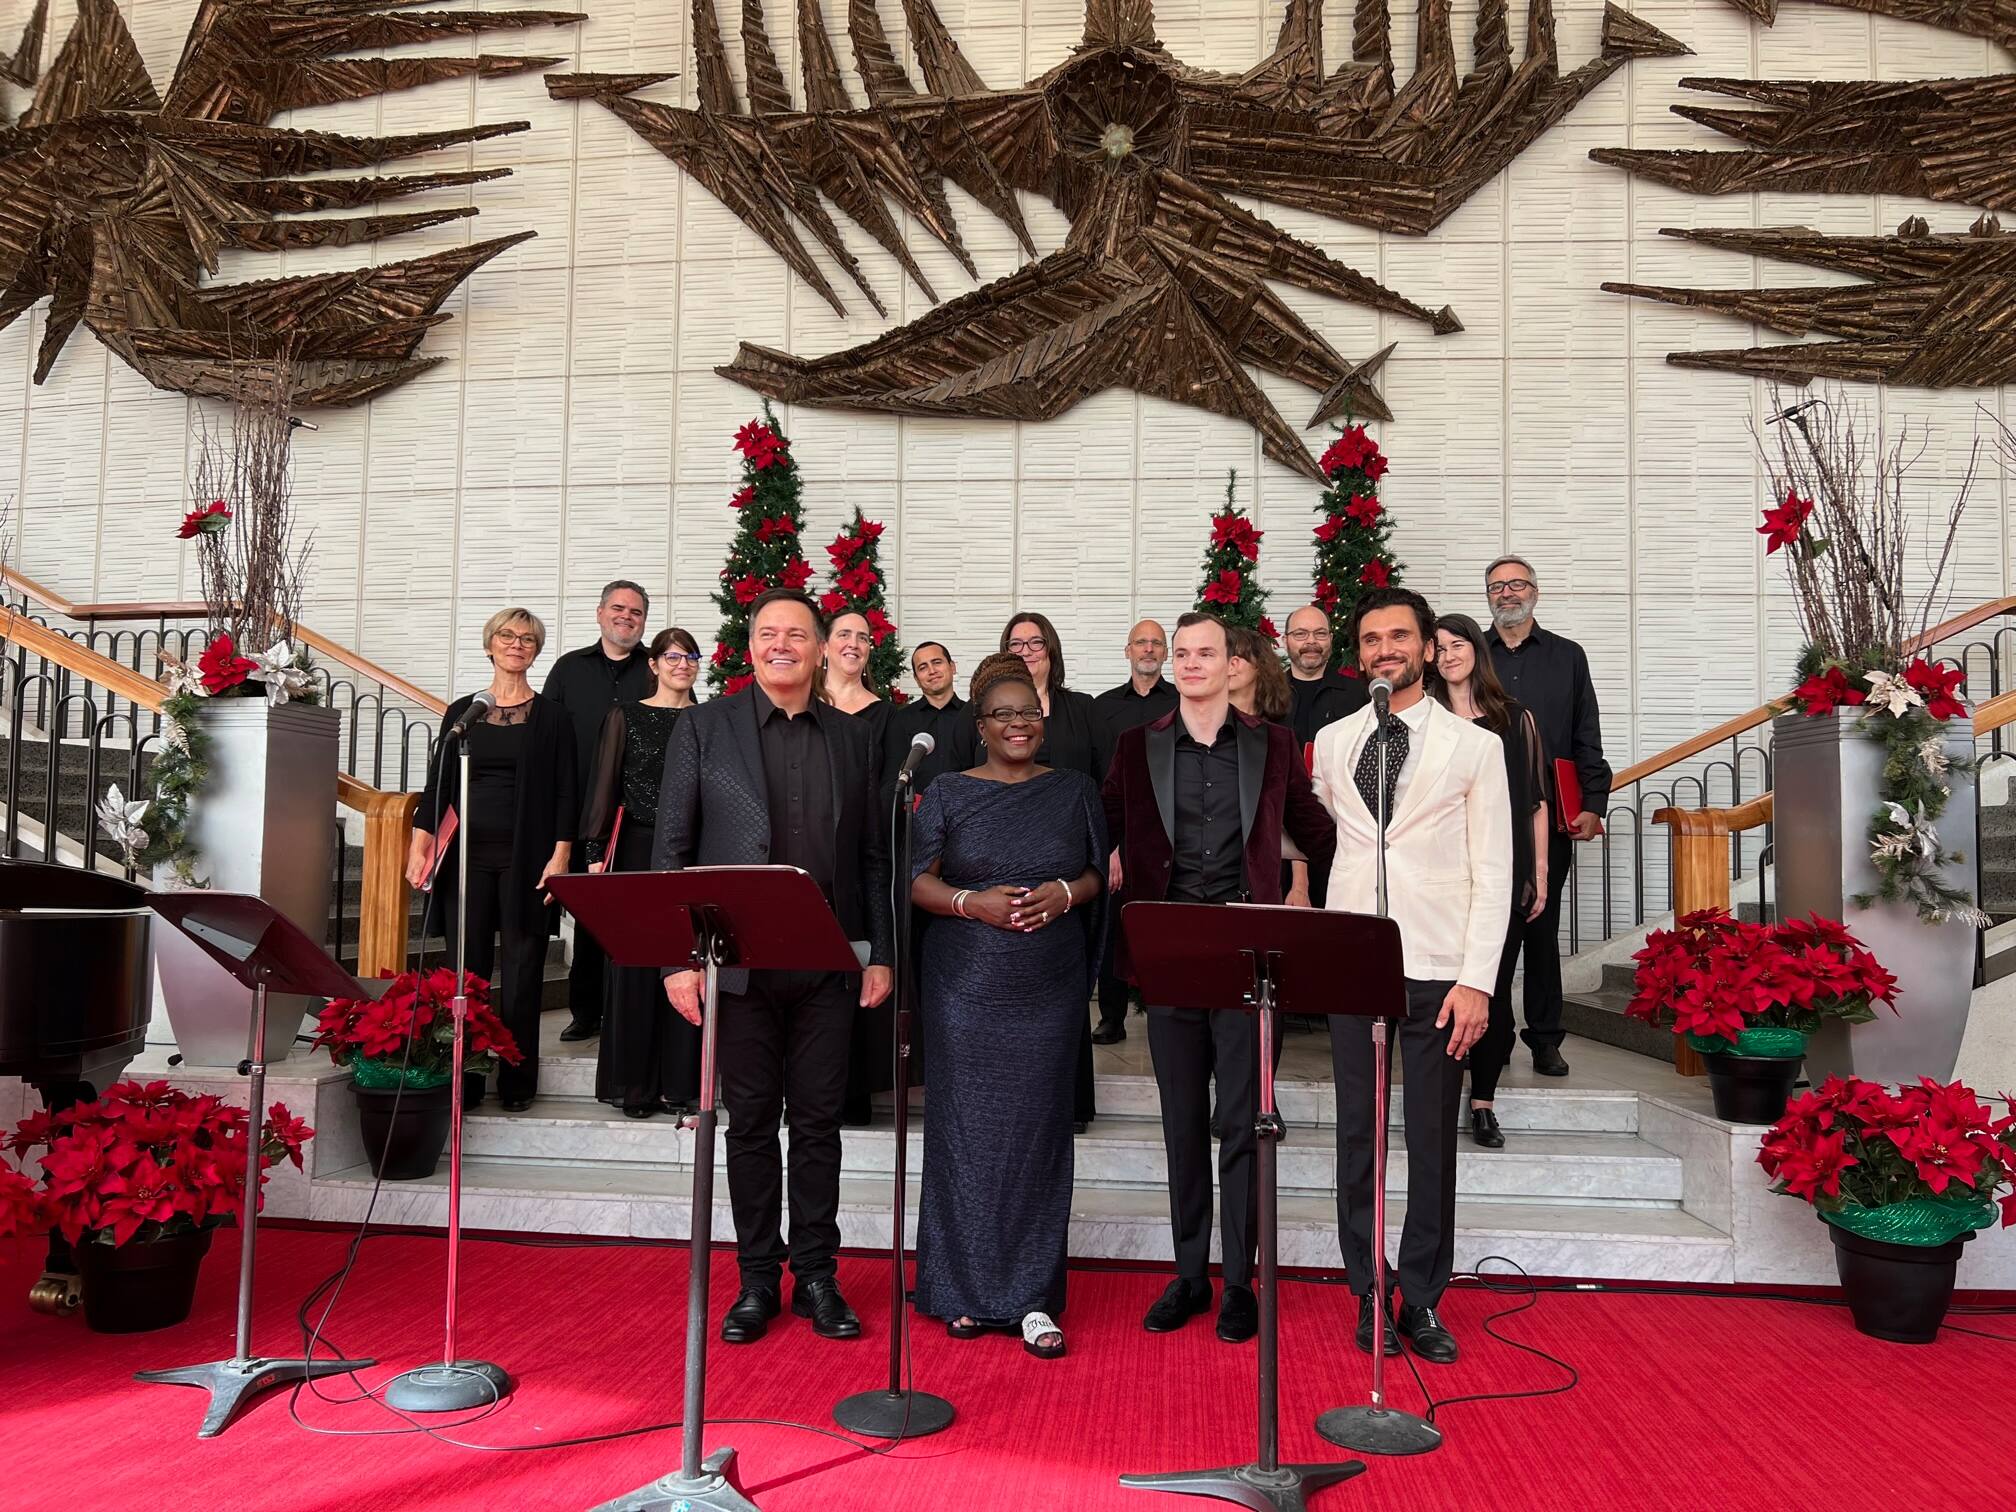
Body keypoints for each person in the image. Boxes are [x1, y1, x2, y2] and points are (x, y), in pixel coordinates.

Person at [654, 589, 893, 1345]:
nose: (782, 644)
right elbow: (672, 850)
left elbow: (873, 856)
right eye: (768, 633)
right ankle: (758, 1279)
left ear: (822, 649)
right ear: (748, 646)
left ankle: (818, 1275)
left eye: (798, 633)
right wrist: (675, 961)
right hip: (736, 965)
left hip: (828, 963)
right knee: (751, 1123)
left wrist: (880, 952)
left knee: (819, 1125)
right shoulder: (703, 727)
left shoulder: (852, 740)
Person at [1103, 611, 1336, 1345]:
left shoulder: (1274, 745)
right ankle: (1188, 1276)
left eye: (1207, 652)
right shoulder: (1137, 746)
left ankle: (1240, 1280)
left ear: (1235, 662)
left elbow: (1321, 831)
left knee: (1242, 1125)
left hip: (1247, 957)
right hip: (1169, 951)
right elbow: (1101, 821)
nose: (1193, 663)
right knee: (1179, 1124)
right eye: (1183, 653)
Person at [1311, 587, 1510, 1365]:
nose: (1384, 649)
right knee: (1358, 1138)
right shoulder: (1331, 741)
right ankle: (1367, 1289)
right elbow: (1331, 841)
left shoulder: (1475, 747)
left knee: (1430, 1142)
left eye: (1399, 636)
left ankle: (1422, 1297)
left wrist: (1478, 980)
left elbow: (1496, 871)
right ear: (1357, 654)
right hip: (1354, 964)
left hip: (1439, 969)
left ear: (1429, 647)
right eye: (1370, 639)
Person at [909, 653, 1107, 1359]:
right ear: (981, 726)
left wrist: (1066, 892)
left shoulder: (1075, 789)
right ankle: (960, 1291)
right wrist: (972, 903)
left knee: (1036, 1140)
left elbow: (1093, 872)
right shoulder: (948, 791)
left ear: (1043, 721)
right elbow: (915, 881)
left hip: (1047, 987)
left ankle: (1031, 1298)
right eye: (1004, 713)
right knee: (966, 1138)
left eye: (1029, 711)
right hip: (965, 987)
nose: (1019, 722)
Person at [407, 608, 578, 1112]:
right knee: (468, 969)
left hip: (527, 856)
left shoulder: (553, 717)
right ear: (489, 645)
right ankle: (468, 1080)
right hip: (466, 857)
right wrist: (421, 840)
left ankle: (518, 1083)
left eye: (528, 638)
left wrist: (562, 854)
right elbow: (438, 782)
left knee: (524, 969)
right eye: (507, 635)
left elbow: (568, 790)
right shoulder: (465, 711)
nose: (517, 643)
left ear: (536, 650)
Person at [950, 611, 1112, 1128]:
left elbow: (1105, 783)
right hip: (981, 931)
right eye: (1015, 643)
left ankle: (1068, 1106)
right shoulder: (974, 729)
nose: (1026, 650)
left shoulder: (1081, 710)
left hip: (1067, 871)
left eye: (1035, 642)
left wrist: (1098, 859)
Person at [1483, 556, 1611, 1078]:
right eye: (1497, 586)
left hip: (1548, 818)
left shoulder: (1568, 657)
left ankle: (1544, 1038)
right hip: (1483, 814)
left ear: (1535, 590)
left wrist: (1592, 804)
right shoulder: (1471, 655)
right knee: (1488, 930)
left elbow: (1586, 735)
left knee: (1541, 930)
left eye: (1516, 584)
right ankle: (1488, 1037)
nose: (1507, 593)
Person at [1431, 614, 1548, 1148]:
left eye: (1458, 644)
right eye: (1438, 647)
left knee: (1492, 988)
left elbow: (1535, 802)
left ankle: (1483, 1102)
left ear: (1478, 650)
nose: (1449, 654)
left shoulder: (1512, 717)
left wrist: (1540, 872)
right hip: (1438, 874)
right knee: (1438, 986)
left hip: (1504, 868)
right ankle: (1435, 1095)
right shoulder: (1423, 718)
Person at [577, 627, 702, 1119]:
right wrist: (594, 853)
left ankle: (684, 1082)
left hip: (695, 853)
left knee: (688, 960)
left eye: (690, 656)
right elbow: (603, 787)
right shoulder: (625, 716)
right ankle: (637, 1086)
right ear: (653, 664)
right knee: (636, 963)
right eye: (672, 656)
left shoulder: (711, 719)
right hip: (635, 849)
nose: (681, 664)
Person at [541, 581, 653, 1043]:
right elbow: (547, 737)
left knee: (638, 918)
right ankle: (586, 1010)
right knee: (589, 914)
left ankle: (631, 1012)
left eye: (637, 612)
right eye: (618, 608)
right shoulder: (569, 669)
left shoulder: (655, 668)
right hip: (582, 810)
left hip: (639, 815)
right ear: (600, 612)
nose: (626, 617)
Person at [824, 609, 896, 1127]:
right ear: (824, 645)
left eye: (863, 637)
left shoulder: (885, 716)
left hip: (856, 860)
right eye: (844, 634)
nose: (855, 643)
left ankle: (848, 1094)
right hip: (800, 859)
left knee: (851, 973)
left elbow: (886, 796)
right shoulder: (800, 705)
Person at [1090, 619, 1174, 1045]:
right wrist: (1111, 845)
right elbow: (1101, 779)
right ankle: (1112, 1016)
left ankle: (1169, 1011)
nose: (1148, 649)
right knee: (1113, 928)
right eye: (1141, 642)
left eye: (1156, 643)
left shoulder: (1183, 702)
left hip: (1172, 835)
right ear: (1127, 651)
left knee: (1168, 929)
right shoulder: (1102, 708)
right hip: (1120, 832)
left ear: (1166, 653)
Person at [1229, 625, 1311, 907]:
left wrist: (1300, 887)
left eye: (1238, 657)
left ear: (1259, 667)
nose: (1230, 665)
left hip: (1267, 875)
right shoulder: (1198, 734)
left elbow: (1298, 817)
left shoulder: (1280, 737)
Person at [887, 641, 964, 794]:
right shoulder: (900, 720)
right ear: (916, 678)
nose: (932, 670)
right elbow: (892, 776)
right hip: (916, 813)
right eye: (923, 667)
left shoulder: (974, 716)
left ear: (952, 667)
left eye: (937, 662)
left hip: (968, 812)